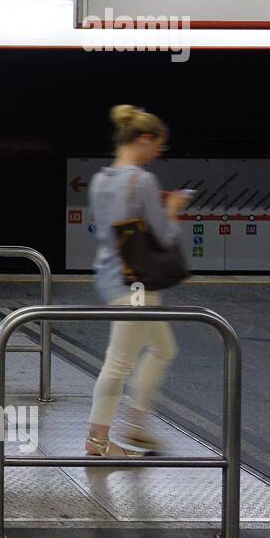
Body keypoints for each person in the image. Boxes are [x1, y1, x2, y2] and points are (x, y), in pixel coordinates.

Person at [84, 104, 190, 457]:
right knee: (119, 362)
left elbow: (107, 231)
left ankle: (137, 423)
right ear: (144, 138)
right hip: (137, 286)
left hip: (112, 277)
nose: (158, 152)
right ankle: (98, 440)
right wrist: (173, 209)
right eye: (159, 145)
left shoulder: (100, 180)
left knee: (164, 349)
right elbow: (164, 237)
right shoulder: (142, 180)